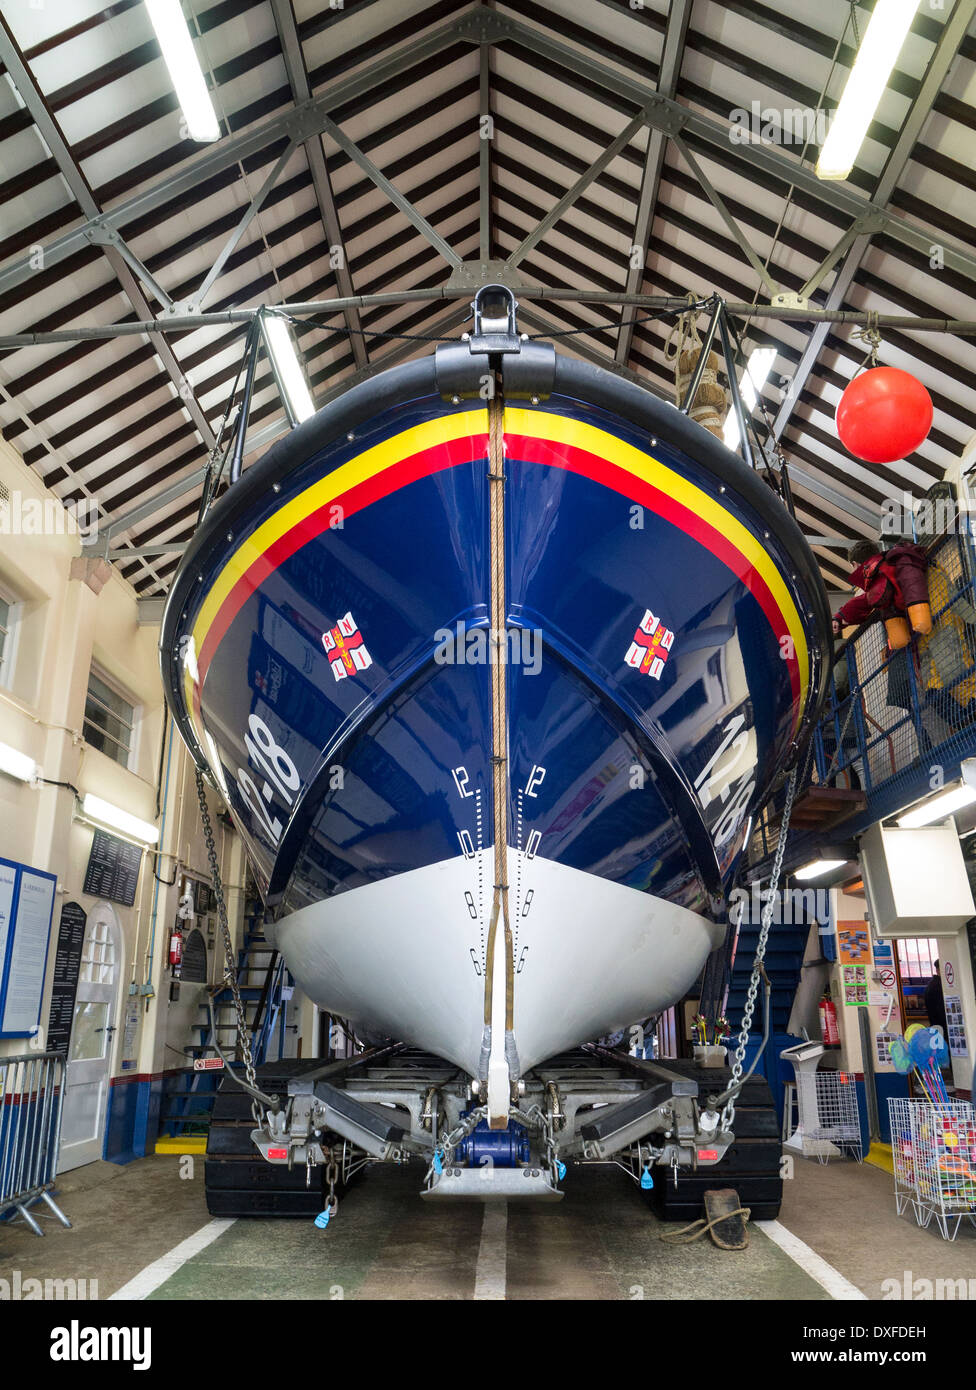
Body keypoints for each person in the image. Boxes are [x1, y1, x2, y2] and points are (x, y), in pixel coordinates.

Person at [832, 538, 931, 649]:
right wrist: (839, 618)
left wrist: (920, 614)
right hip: (926, 617)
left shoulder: (884, 572)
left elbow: (864, 601)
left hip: (926, 622)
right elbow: (863, 602)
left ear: (855, 564)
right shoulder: (885, 570)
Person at [924, 959, 948, 1039]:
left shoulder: (932, 984)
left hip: (936, 1027)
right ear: (938, 970)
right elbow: (941, 1011)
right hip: (942, 1028)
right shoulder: (937, 986)